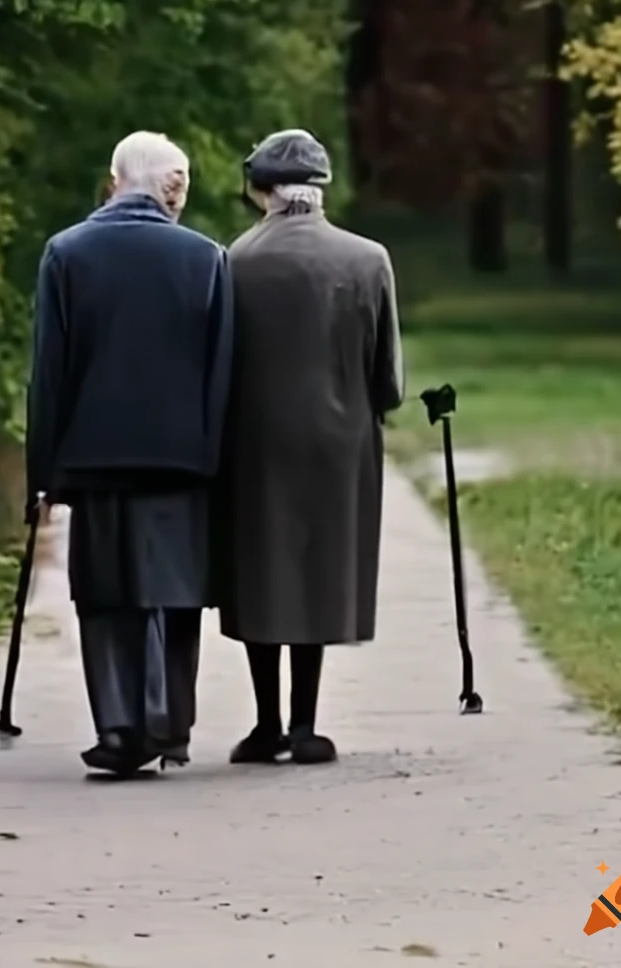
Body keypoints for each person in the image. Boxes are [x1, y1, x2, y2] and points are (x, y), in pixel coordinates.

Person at [27, 131, 233, 777]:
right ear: (173, 189)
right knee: (173, 593)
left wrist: (42, 475)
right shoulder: (206, 258)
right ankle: (170, 728)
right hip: (181, 463)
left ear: (114, 180)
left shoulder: (67, 253)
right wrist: (218, 460)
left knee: (105, 594)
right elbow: (221, 372)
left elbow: (49, 374)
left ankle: (118, 729)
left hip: (93, 457)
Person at [216, 128, 404, 766]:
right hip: (338, 439)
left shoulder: (233, 259)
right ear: (320, 187)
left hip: (254, 439)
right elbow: (389, 379)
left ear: (261, 189)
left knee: (262, 571)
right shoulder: (368, 259)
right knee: (320, 571)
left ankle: (265, 723)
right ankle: (306, 724)